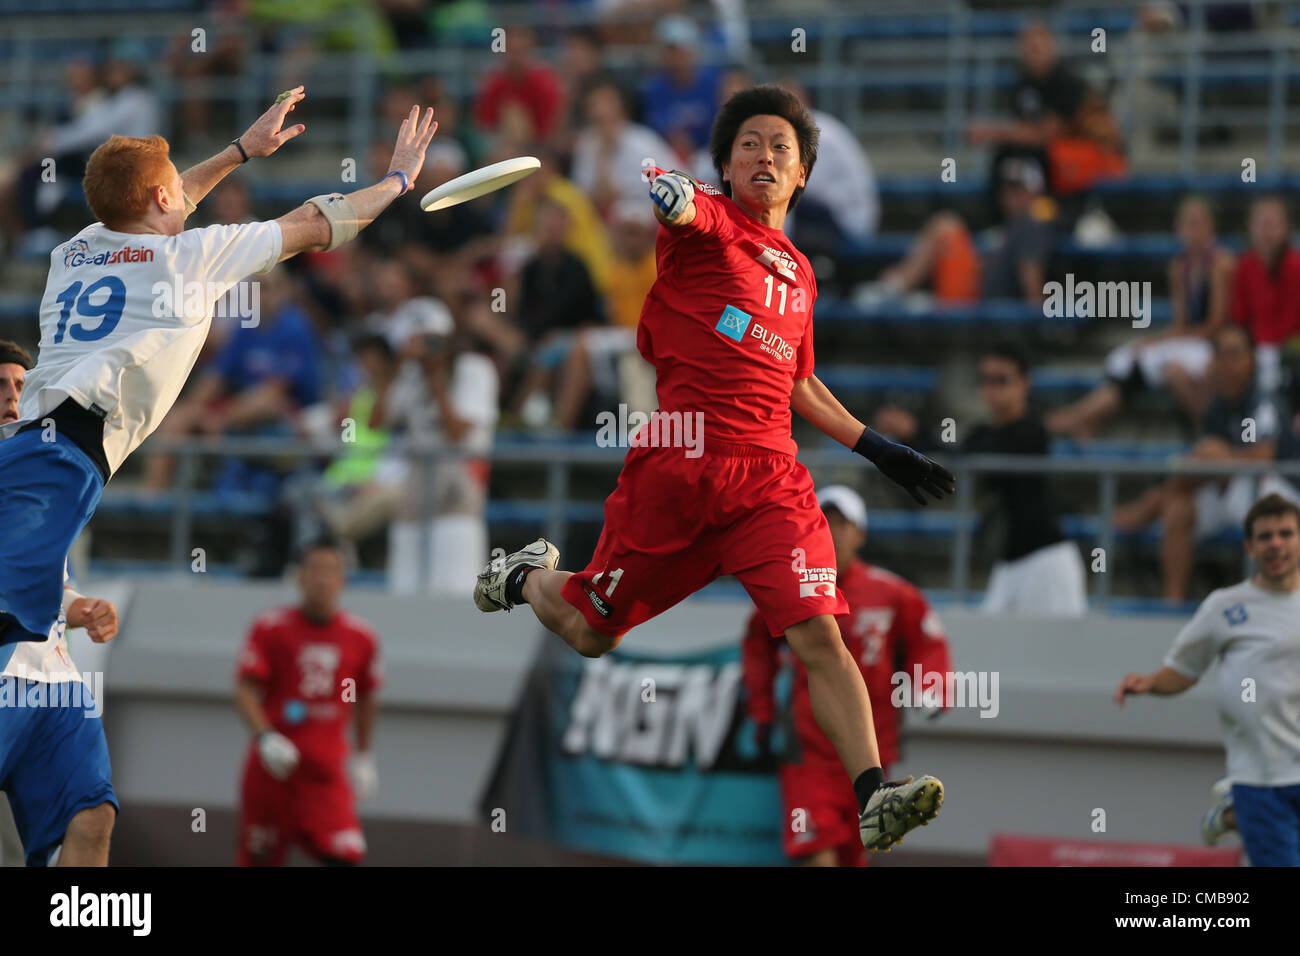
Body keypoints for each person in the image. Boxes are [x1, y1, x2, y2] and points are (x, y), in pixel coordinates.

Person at [474, 84, 955, 853]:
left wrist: (880, 449)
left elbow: (799, 384)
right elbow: (682, 209)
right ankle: (530, 575)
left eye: (782, 149)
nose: (766, 156)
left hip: (770, 482)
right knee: (592, 633)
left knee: (819, 636)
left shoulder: (800, 271)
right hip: (680, 468)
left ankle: (872, 796)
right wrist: (674, 198)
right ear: (726, 167)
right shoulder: (705, 223)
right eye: (750, 145)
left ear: (802, 177)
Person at [0, 88, 438, 651]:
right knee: (15, 632)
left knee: (20, 630)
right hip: (59, 460)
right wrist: (396, 182)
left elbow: (163, 202)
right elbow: (315, 221)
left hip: (30, 445)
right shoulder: (191, 258)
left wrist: (240, 151)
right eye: (172, 189)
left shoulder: (75, 251)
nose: (182, 195)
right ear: (161, 195)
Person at [742, 485, 953, 866]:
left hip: (872, 753)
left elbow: (928, 640)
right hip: (808, 753)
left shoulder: (892, 592)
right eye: (824, 522)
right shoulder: (792, 589)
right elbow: (757, 644)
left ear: (862, 533)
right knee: (816, 850)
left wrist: (931, 686)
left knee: (856, 854)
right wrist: (761, 709)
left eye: (843, 523)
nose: (833, 532)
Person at [1116, 493, 1300, 866]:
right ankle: (1238, 812)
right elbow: (1184, 670)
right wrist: (1149, 682)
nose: (1276, 543)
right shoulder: (1226, 606)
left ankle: (1232, 816)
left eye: (1286, 533)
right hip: (1262, 775)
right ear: (1249, 547)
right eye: (1265, 537)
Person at [0, 340, 120, 867]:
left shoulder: (42, 472)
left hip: (53, 679)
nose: (11, 399)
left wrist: (81, 607)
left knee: (92, 815)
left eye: (21, 388)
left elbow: (51, 580)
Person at [875, 342, 1088, 616]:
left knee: (1060, 650)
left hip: (1046, 559)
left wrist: (917, 432)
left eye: (1002, 380)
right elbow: (953, 453)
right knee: (992, 649)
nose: (992, 389)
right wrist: (910, 434)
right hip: (1010, 561)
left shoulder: (1032, 432)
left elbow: (983, 455)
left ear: (1025, 384)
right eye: (986, 380)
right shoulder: (983, 433)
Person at [1112, 323, 1300, 603]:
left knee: (1210, 451)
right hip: (1231, 488)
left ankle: (1151, 503)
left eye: (1235, 354)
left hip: (1276, 491)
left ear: (1251, 360)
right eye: (1221, 355)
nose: (1228, 363)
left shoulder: (1264, 399)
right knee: (1177, 509)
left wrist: (1219, 459)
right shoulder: (1218, 406)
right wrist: (1217, 462)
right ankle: (1172, 605)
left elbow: (1264, 456)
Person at [234, 536, 382, 866]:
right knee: (259, 858)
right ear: (299, 576)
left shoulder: (360, 637)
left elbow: (365, 695)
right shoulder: (272, 627)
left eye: (331, 570)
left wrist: (364, 755)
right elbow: (245, 687)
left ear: (342, 578)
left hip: (325, 775)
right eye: (314, 570)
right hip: (275, 770)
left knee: (346, 856)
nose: (322, 579)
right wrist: (265, 736)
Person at [1047, 195, 1235, 438]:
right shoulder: (1179, 267)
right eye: (1187, 223)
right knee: (1130, 359)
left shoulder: (1220, 264)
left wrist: (1165, 340)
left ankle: (1215, 433)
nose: (1192, 230)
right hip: (1191, 340)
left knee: (1171, 370)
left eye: (1198, 223)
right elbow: (1181, 321)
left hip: (1214, 343)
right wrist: (1161, 340)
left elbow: (1217, 324)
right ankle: (1083, 420)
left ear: (1211, 227)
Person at [870, 158, 1053, 308]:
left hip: (978, 299)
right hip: (976, 295)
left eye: (1018, 191)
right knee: (945, 227)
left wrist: (1038, 317)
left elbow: (1031, 275)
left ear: (1034, 192)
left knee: (946, 226)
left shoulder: (1032, 224)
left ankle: (894, 290)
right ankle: (905, 293)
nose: (1010, 197)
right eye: (1007, 190)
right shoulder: (1012, 225)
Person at [1230, 196, 1300, 394]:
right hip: (1255, 347)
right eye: (1261, 224)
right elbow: (1239, 315)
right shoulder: (1244, 265)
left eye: (1273, 225)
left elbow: (1293, 321)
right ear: (1250, 227)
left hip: (1289, 348)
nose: (1266, 232)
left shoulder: (1296, 266)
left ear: (1286, 228)